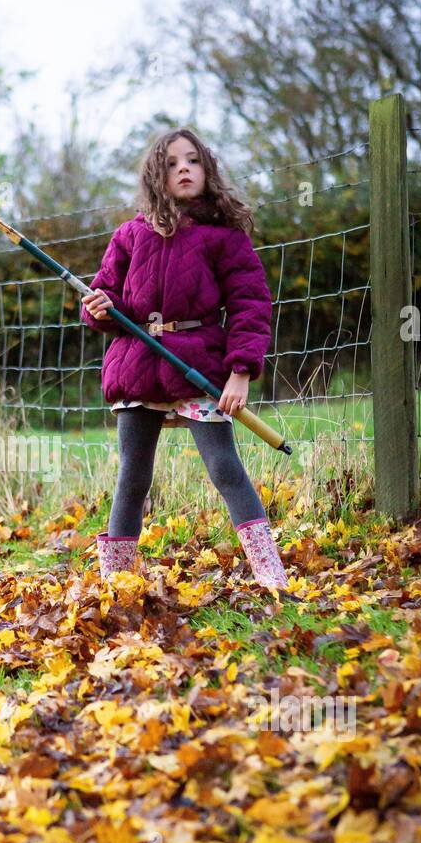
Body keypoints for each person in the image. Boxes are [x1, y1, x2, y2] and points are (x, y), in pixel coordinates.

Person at [81, 127, 289, 593]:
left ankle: (270, 572)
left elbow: (250, 306)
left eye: (192, 161)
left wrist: (240, 372)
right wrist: (98, 308)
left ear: (207, 168)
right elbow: (106, 298)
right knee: (133, 474)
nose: (184, 169)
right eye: (173, 163)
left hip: (200, 368)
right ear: (158, 175)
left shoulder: (224, 237)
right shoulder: (130, 235)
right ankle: (117, 582)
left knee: (224, 468)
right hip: (137, 365)